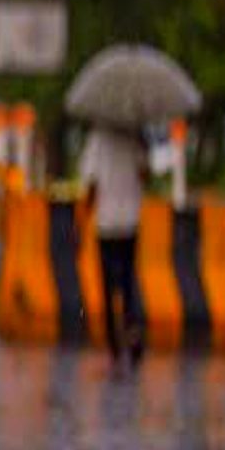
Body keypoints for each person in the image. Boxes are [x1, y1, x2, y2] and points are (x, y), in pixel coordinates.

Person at [79, 124, 148, 371]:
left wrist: (83, 216)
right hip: (130, 221)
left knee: (108, 286)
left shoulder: (97, 140)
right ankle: (131, 327)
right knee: (129, 282)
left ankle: (114, 347)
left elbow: (91, 183)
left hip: (106, 223)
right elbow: (145, 175)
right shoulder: (135, 138)